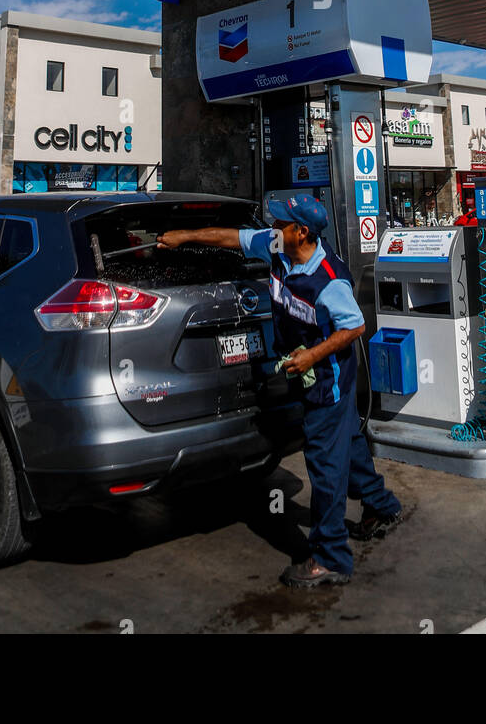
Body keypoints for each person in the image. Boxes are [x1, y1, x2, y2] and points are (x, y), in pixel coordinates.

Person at [157, 194, 402, 588]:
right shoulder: (278, 245)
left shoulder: (328, 279)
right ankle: (381, 505)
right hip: (307, 375)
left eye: (280, 223)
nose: (272, 229)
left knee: (325, 465)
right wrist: (184, 236)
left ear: (300, 231)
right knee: (349, 442)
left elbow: (354, 327)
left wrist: (311, 358)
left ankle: (331, 558)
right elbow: (231, 238)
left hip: (328, 383)